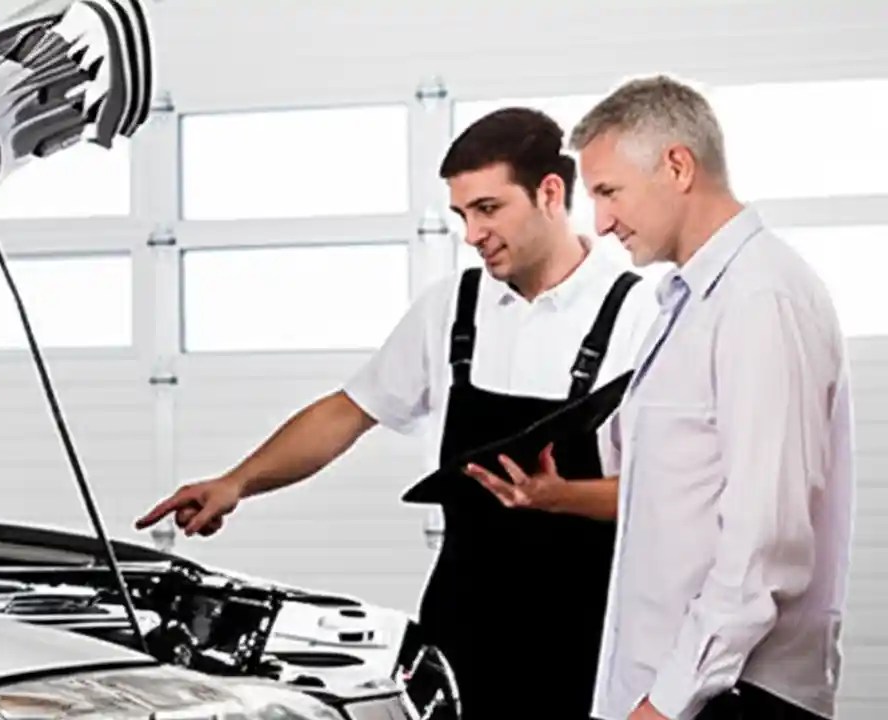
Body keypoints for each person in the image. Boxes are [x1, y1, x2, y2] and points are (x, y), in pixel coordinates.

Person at [135, 107, 661, 718]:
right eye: (462, 215)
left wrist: (556, 497)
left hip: (585, 640)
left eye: (489, 209)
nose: (472, 234)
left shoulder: (640, 318)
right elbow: (348, 411)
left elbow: (665, 495)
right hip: (461, 628)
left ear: (550, 193)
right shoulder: (453, 308)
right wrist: (238, 482)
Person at [569, 75, 855, 720]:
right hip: (676, 687)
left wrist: (666, 703)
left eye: (609, 192)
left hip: (725, 697)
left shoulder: (760, 298)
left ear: (677, 165)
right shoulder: (685, 303)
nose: (602, 222)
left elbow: (766, 542)